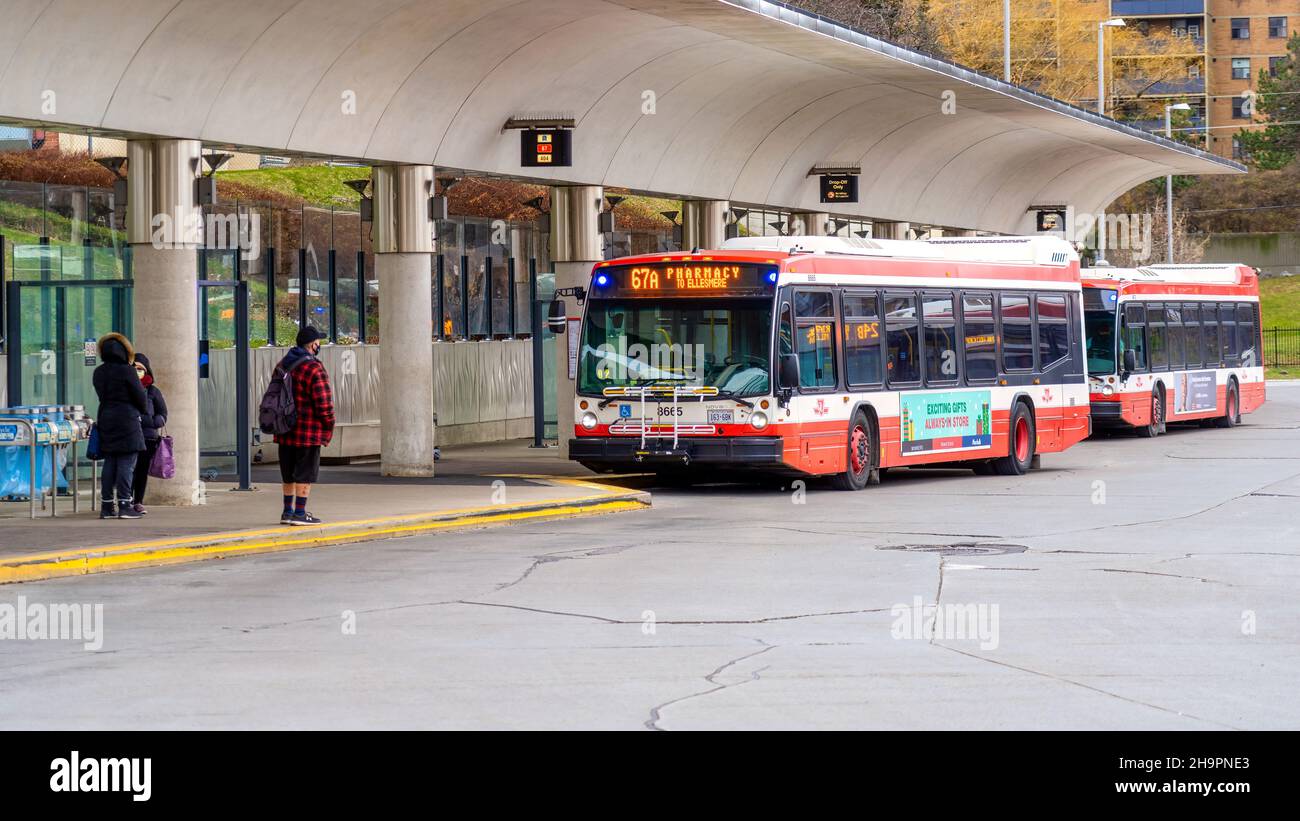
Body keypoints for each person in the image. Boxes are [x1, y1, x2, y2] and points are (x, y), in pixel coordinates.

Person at [274, 326, 335, 525]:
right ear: (312, 344)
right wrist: (329, 424)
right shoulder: (314, 368)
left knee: (288, 472)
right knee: (305, 473)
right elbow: (323, 403)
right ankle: (300, 513)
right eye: (318, 342)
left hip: (284, 429)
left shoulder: (283, 364)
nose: (319, 345)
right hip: (307, 431)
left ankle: (287, 511)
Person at [92, 333, 148, 520]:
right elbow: (140, 398)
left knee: (110, 463)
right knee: (126, 464)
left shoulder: (99, 372)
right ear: (125, 351)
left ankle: (107, 506)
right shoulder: (127, 371)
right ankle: (125, 504)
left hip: (106, 417)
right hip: (127, 419)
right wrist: (142, 409)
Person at [130, 353, 169, 515]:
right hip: (130, 435)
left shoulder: (153, 391)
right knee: (127, 469)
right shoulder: (126, 389)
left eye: (140, 369)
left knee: (141, 471)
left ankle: (138, 501)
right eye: (134, 368)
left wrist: (153, 422)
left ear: (146, 371)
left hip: (148, 437)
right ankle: (126, 499)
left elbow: (163, 414)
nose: (137, 371)